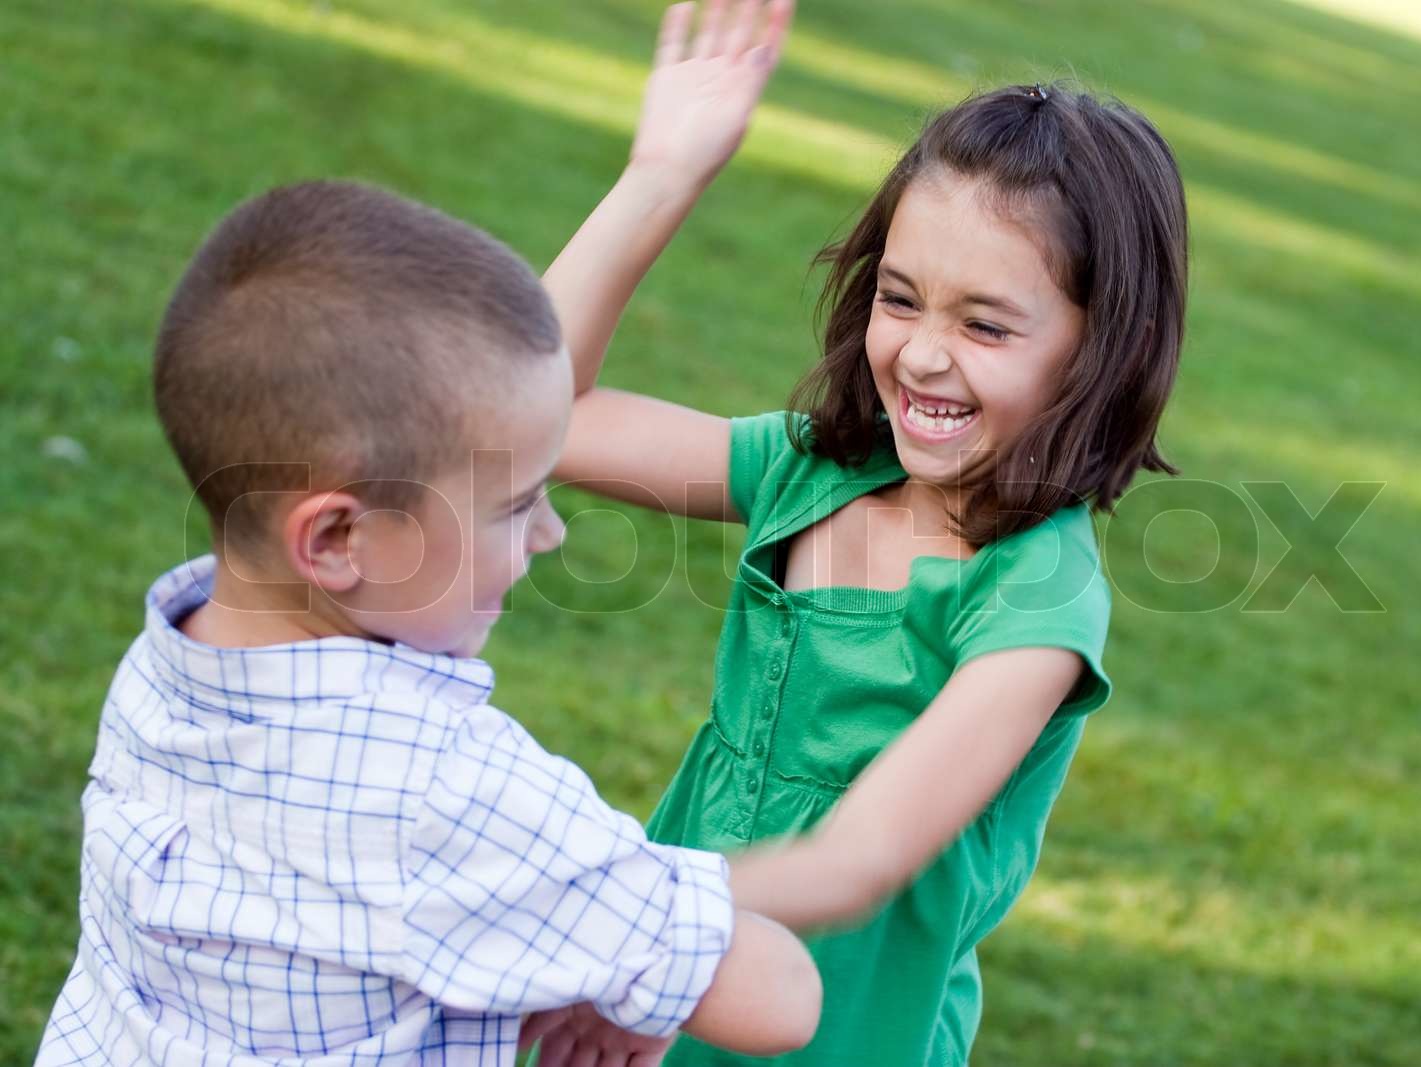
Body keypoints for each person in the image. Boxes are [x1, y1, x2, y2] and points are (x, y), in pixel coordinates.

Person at [35, 178, 820, 1067]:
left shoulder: (163, 668)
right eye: (516, 503)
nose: (552, 534)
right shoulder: (444, 786)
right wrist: (629, 969)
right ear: (337, 538)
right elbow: (776, 997)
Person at [536, 1, 1190, 1063]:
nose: (924, 356)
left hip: (838, 1030)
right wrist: (659, 176)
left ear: (1103, 348)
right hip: (670, 1002)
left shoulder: (1035, 596)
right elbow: (541, 416)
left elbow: (858, 857)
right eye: (901, 298)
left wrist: (635, 926)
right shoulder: (810, 469)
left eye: (983, 323)